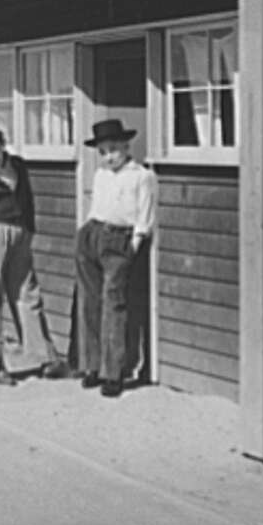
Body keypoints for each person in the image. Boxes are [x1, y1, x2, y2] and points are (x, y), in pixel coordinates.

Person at [0, 124, 71, 386]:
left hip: (20, 235)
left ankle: (45, 359)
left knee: (28, 294)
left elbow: (27, 199)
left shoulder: (18, 166)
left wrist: (29, 230)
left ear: (4, 144)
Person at [73, 119, 158, 398]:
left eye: (113, 149)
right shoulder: (101, 175)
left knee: (114, 303)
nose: (109, 156)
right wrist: (85, 235)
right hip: (92, 234)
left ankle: (114, 372)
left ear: (126, 146)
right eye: (103, 151)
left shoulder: (141, 176)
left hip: (120, 239)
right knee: (91, 301)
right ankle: (93, 366)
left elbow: (144, 218)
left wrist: (132, 247)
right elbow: (96, 207)